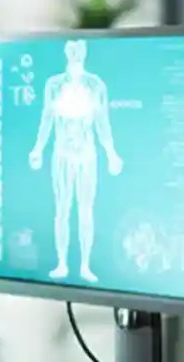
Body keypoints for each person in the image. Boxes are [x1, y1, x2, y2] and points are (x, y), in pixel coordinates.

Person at [27, 39, 123, 284]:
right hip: (62, 152)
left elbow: (103, 122)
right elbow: (46, 119)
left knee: (86, 210)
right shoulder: (54, 85)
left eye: (79, 47)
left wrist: (111, 152)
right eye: (71, 47)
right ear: (65, 51)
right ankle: (62, 263)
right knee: (62, 208)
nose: (75, 51)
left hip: (87, 153)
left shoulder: (95, 85)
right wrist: (37, 148)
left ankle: (85, 265)